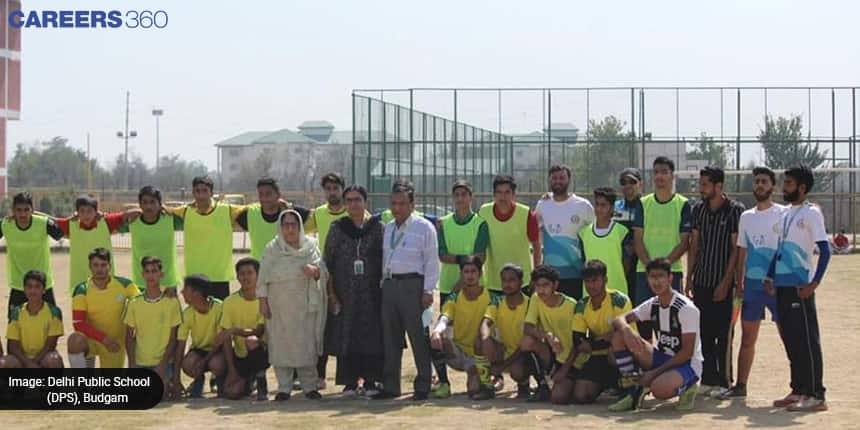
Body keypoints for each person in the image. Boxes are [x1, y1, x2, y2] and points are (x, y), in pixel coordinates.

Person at [763, 165, 831, 412]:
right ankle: (798, 389)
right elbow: (779, 249)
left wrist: (814, 283)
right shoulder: (786, 214)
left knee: (806, 340)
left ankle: (816, 394)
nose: (784, 188)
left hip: (800, 286)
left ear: (802, 188)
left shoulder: (812, 213)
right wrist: (770, 276)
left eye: (789, 183)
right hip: (782, 285)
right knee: (791, 339)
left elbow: (825, 251)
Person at [717, 166, 785, 400]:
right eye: (757, 181)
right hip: (752, 287)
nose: (760, 185)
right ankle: (741, 385)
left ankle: (801, 386)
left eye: (764, 181)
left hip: (778, 286)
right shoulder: (746, 217)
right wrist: (739, 283)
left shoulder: (784, 213)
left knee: (789, 336)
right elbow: (742, 253)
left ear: (772, 186)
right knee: (747, 338)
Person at [372, 180, 439, 401]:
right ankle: (391, 385)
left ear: (412, 204)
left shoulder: (424, 227)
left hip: (413, 286)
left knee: (418, 337)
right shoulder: (388, 228)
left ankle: (423, 384)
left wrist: (428, 290)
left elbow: (431, 261)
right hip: (390, 285)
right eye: (393, 203)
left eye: (401, 203)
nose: (397, 208)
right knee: (390, 338)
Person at [608, 258, 703, 412]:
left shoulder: (686, 308)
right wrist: (626, 330)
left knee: (659, 390)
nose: (656, 281)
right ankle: (633, 391)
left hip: (687, 364)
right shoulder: (653, 303)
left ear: (670, 278)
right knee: (619, 336)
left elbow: (687, 353)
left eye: (661, 276)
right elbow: (618, 319)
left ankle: (689, 387)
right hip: (663, 357)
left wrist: (653, 374)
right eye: (652, 277)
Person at [686, 166, 745, 398]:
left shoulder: (734, 211)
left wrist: (727, 282)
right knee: (704, 332)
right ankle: (708, 378)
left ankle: (724, 380)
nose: (701, 189)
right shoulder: (698, 210)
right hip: (702, 281)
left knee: (724, 334)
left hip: (724, 284)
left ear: (718, 187)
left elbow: (735, 250)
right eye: (700, 184)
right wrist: (690, 277)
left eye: (705, 185)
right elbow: (695, 245)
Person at [258, 210, 328, 401]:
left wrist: (315, 272)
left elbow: (323, 271)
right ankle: (284, 388)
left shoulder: (310, 247)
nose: (289, 229)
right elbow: (262, 278)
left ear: (300, 227)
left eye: (293, 225)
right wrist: (263, 302)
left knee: (306, 345)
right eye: (286, 225)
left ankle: (310, 386)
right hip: (279, 306)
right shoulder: (272, 249)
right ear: (280, 228)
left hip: (305, 306)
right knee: (281, 345)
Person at [323, 185, 385, 396]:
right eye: (348, 200)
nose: (353, 204)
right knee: (347, 334)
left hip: (371, 293)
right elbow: (328, 263)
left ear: (365, 202)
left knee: (371, 335)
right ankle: (349, 381)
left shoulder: (377, 227)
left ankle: (370, 380)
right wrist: (331, 294)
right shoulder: (337, 228)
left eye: (357, 199)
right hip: (345, 292)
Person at [434, 179, 489, 394]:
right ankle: (443, 382)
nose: (460, 199)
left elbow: (480, 256)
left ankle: (484, 375)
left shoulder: (480, 224)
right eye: (456, 195)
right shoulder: (444, 223)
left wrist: (465, 275)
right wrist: (466, 261)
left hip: (474, 288)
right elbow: (442, 254)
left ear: (471, 197)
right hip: (449, 287)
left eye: (464, 194)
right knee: (443, 334)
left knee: (479, 332)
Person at [554, 260, 632, 405]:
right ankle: (608, 385)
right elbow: (578, 342)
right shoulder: (582, 305)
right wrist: (604, 338)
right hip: (597, 356)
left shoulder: (619, 300)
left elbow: (620, 335)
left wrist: (592, 343)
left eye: (595, 280)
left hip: (622, 352)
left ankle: (630, 386)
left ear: (605, 280)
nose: (591, 285)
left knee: (614, 349)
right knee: (581, 396)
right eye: (587, 281)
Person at [632, 156, 692, 341]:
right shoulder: (643, 203)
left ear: (672, 176)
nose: (660, 176)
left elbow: (684, 242)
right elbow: (638, 239)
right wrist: (651, 268)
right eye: (656, 172)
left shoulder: (683, 204)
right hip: (644, 271)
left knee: (671, 327)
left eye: (664, 172)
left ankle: (669, 359)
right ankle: (647, 359)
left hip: (672, 272)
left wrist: (663, 268)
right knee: (644, 327)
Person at [164, 176, 246, 300]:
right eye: (197, 191)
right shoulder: (185, 211)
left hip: (219, 277)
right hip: (194, 276)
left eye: (204, 191)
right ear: (193, 193)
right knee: (194, 311)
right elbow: (164, 210)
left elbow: (254, 208)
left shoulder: (228, 210)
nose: (201, 195)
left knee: (218, 311)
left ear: (211, 193)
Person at [303, 172, 349, 387]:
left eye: (335, 188)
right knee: (321, 326)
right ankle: (319, 375)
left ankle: (348, 377)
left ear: (342, 189)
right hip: (324, 277)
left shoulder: (354, 211)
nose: (332, 192)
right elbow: (298, 229)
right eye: (328, 189)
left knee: (346, 326)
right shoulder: (319, 213)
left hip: (348, 278)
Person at [429, 256, 494, 399]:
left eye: (473, 271)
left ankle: (486, 379)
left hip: (479, 353)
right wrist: (437, 331)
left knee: (473, 390)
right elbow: (445, 317)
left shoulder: (490, 296)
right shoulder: (454, 297)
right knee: (437, 337)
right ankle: (444, 384)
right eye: (466, 272)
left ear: (480, 274)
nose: (470, 275)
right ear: (461, 274)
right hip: (458, 352)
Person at [67, 248, 140, 368]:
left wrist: (165, 293)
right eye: (95, 265)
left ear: (109, 266)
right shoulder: (82, 289)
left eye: (103, 265)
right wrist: (104, 339)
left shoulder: (125, 284)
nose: (99, 269)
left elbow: (142, 302)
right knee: (75, 340)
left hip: (115, 343)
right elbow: (79, 323)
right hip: (93, 339)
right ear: (90, 267)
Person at [123, 256, 183, 400]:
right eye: (147, 271)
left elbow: (173, 339)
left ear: (161, 274)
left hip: (163, 363)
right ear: (142, 275)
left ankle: (168, 382)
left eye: (154, 271)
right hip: (140, 363)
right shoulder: (134, 303)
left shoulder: (172, 302)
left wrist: (163, 364)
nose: (151, 275)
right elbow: (129, 337)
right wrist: (132, 364)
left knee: (160, 394)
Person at [519, 265, 577, 404]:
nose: (541, 290)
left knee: (559, 397)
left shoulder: (571, 305)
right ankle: (543, 385)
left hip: (572, 359)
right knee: (526, 342)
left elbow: (579, 342)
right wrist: (547, 336)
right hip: (553, 354)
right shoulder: (536, 298)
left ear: (555, 285)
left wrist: (564, 370)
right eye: (538, 286)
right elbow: (527, 327)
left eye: (545, 285)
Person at [1, 192, 64, 320]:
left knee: (53, 322)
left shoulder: (44, 223)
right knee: (14, 323)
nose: (22, 214)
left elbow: (62, 232)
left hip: (43, 284)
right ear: (13, 211)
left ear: (32, 210)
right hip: (18, 284)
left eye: (26, 210)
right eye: (18, 210)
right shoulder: (5, 225)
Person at [535, 165, 594, 300]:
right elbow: (535, 233)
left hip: (576, 272)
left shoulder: (583, 205)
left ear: (569, 180)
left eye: (562, 178)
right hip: (550, 276)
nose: (558, 181)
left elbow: (595, 232)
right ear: (549, 180)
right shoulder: (542, 204)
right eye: (554, 178)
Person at [475, 264, 531, 400]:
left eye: (511, 280)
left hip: (524, 353)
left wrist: (502, 366)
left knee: (517, 371)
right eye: (504, 280)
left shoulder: (530, 304)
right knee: (479, 341)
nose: (507, 284)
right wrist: (486, 338)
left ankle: (524, 385)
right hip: (504, 351)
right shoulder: (497, 301)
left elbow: (527, 342)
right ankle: (487, 386)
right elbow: (485, 323)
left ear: (521, 282)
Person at [479, 175, 541, 293]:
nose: (503, 197)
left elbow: (536, 245)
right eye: (499, 192)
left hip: (522, 282)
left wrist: (536, 275)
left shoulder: (526, 213)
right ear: (494, 194)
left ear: (513, 194)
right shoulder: (484, 212)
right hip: (494, 282)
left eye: (507, 192)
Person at [220, 257, 269, 400]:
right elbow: (226, 338)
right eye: (242, 274)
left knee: (252, 340)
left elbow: (259, 331)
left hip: (264, 351)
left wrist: (235, 331)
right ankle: (248, 381)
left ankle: (261, 382)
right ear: (237, 277)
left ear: (258, 275)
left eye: (250, 273)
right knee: (231, 392)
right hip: (240, 355)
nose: (246, 277)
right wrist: (231, 370)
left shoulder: (265, 299)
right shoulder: (229, 302)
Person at [57, 195, 128, 294]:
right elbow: (46, 219)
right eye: (82, 211)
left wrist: (104, 214)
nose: (86, 215)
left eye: (89, 211)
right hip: (80, 283)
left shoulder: (106, 222)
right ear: (77, 212)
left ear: (96, 212)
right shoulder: (71, 225)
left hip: (104, 281)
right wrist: (70, 218)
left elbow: (135, 213)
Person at [120, 186, 183, 294]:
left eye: (152, 202)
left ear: (160, 204)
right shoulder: (132, 221)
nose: (148, 206)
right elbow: (107, 225)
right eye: (144, 202)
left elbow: (194, 216)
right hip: (142, 282)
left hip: (167, 282)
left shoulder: (170, 219)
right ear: (139, 205)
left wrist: (173, 210)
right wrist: (124, 215)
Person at [174, 275, 227, 399]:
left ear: (197, 293)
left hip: (218, 350)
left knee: (217, 364)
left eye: (185, 289)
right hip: (199, 350)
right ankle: (199, 380)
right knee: (188, 364)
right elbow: (181, 345)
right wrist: (176, 379)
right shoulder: (187, 313)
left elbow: (220, 341)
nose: (181, 292)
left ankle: (220, 380)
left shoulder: (220, 308)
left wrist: (203, 362)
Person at [0, 270, 64, 369]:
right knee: (3, 362)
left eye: (37, 287)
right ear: (24, 290)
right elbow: (13, 346)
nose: (33, 291)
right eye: (29, 286)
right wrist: (28, 364)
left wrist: (34, 363)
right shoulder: (16, 312)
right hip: (22, 359)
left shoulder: (54, 312)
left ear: (44, 290)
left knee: (53, 359)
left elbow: (50, 345)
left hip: (43, 358)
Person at [235, 177, 310, 260]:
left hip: (286, 266)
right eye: (261, 194)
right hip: (260, 266)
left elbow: (312, 217)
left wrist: (289, 207)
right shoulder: (250, 213)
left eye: (268, 194)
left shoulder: (293, 213)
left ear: (278, 195)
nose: (264, 198)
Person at [579, 187, 631, 297]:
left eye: (603, 205)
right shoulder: (583, 233)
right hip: (591, 293)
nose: (599, 208)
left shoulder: (622, 232)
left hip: (617, 292)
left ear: (611, 208)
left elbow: (627, 264)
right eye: (597, 204)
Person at [614, 168, 643, 302]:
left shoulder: (647, 205)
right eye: (624, 182)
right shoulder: (615, 207)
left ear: (640, 184)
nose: (628, 185)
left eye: (632, 182)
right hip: (620, 263)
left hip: (642, 262)